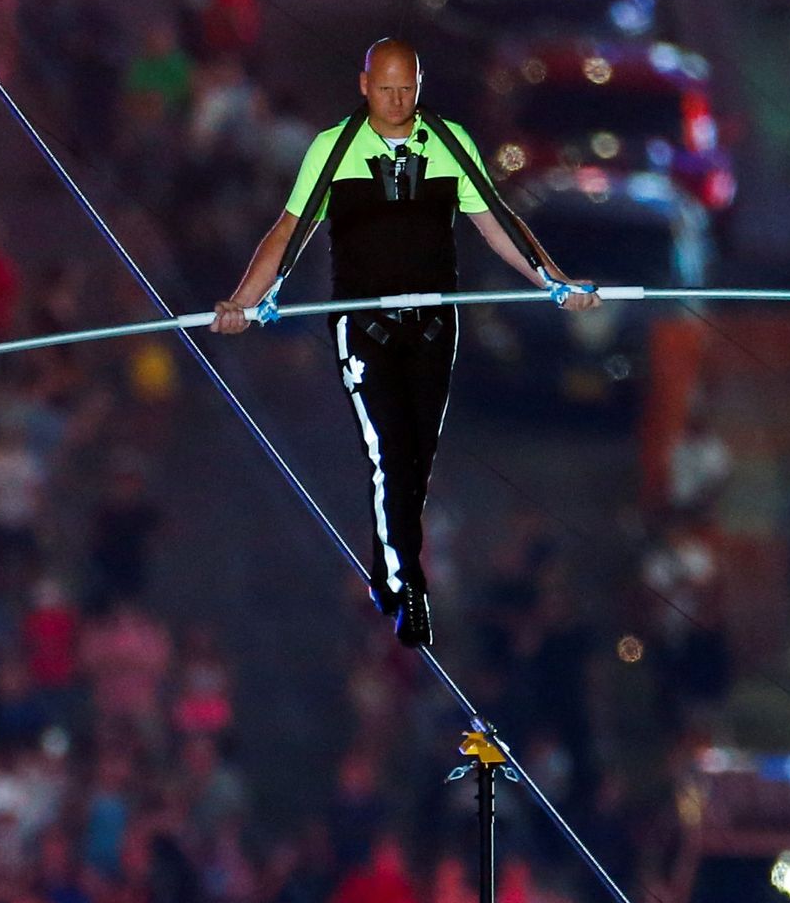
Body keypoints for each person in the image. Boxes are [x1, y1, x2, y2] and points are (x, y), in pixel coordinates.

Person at [212, 38, 576, 648]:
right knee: (392, 453)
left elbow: (496, 220)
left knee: (417, 461)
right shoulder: (333, 149)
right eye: (385, 88)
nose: (398, 100)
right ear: (363, 86)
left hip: (433, 328)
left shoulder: (450, 141)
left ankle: (398, 568)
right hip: (367, 328)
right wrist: (245, 302)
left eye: (408, 87)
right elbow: (290, 230)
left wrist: (556, 282)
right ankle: (403, 578)